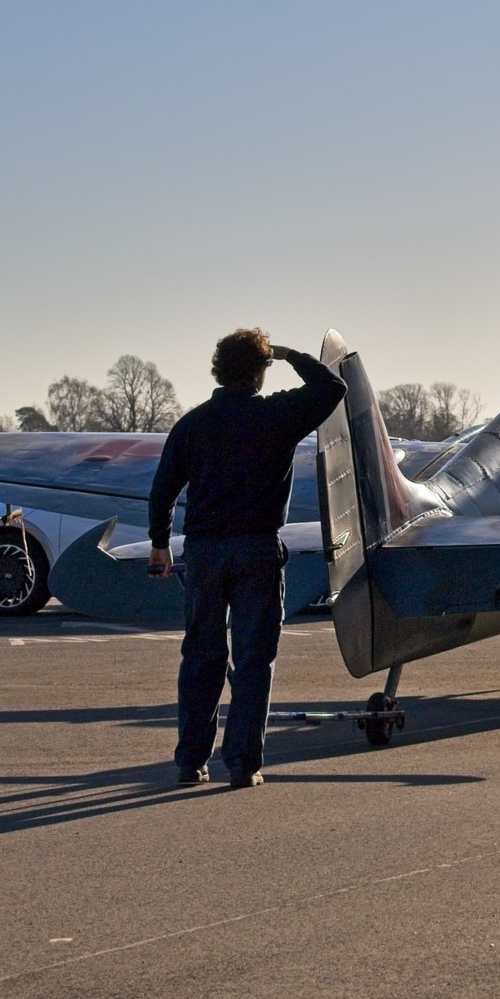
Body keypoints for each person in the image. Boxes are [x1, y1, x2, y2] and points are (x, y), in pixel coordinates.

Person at [148, 329, 344, 788]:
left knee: (202, 655)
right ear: (260, 371)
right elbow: (333, 387)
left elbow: (163, 489)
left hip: (204, 552)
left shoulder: (193, 424)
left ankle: (190, 761)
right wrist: (290, 355)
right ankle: (242, 763)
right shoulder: (277, 415)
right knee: (254, 658)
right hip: (257, 548)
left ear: (219, 369)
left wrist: (160, 542)